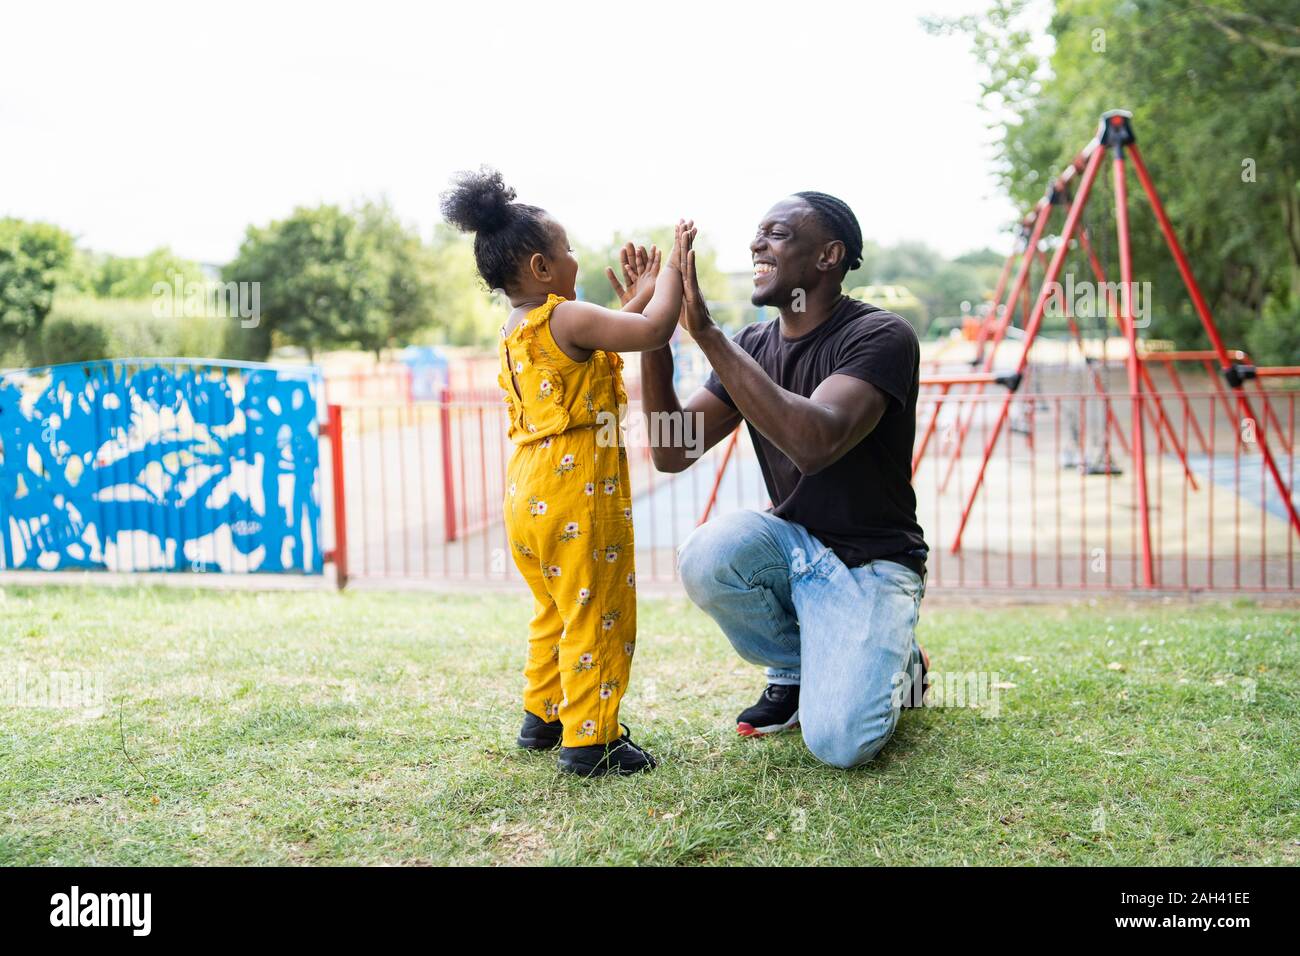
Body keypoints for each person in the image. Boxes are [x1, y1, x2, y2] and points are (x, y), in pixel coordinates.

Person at [636, 191, 929, 769]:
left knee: (841, 744)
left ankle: (901, 664)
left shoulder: (881, 336)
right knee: (709, 552)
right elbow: (672, 450)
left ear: (828, 255)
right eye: (757, 233)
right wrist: (652, 335)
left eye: (777, 234)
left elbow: (814, 442)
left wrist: (709, 335)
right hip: (798, 548)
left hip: (873, 561)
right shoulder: (753, 346)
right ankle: (797, 670)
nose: (756, 244)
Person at [440, 167, 693, 777]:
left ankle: (544, 715)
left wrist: (638, 296)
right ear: (541, 268)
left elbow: (607, 340)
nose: (577, 259)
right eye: (568, 250)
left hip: (529, 489)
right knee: (597, 607)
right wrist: (674, 275)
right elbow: (653, 330)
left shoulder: (518, 327)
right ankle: (592, 739)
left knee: (555, 605)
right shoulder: (568, 317)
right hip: (580, 489)